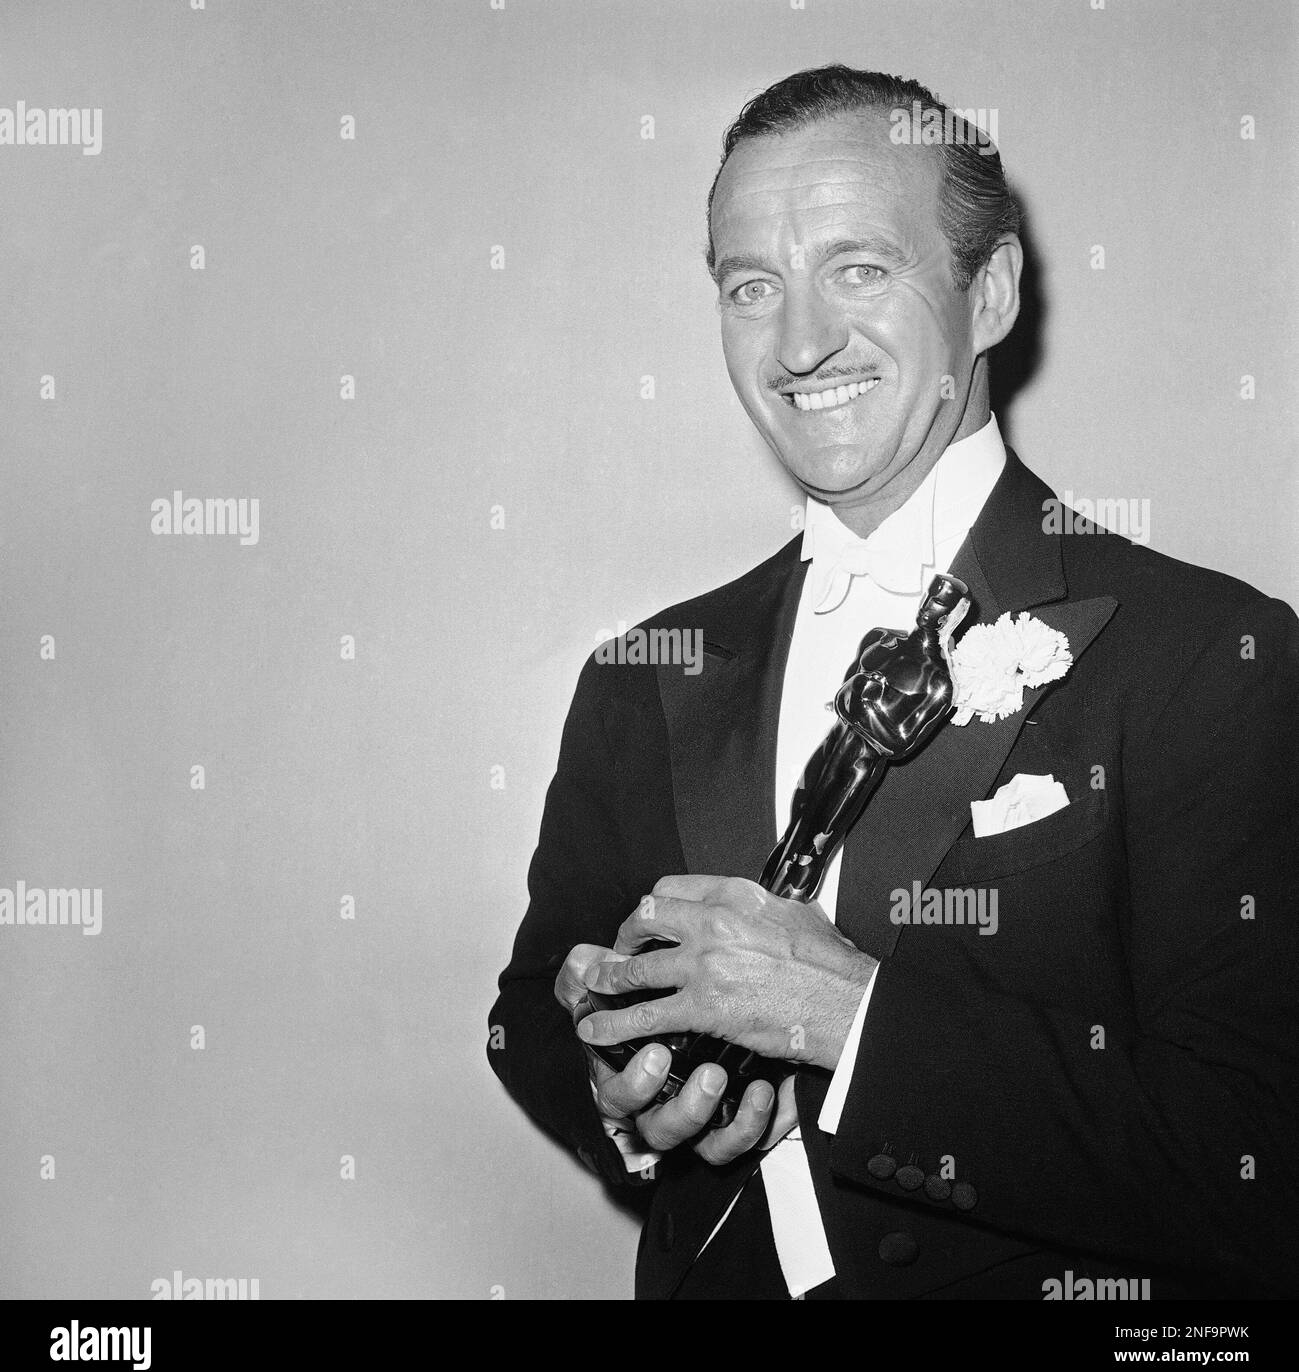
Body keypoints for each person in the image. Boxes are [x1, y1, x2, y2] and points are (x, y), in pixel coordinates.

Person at [487, 65, 1299, 1299]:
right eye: (750, 286)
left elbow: (1258, 1153)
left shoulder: (1213, 659)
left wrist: (852, 1021)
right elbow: (533, 1009)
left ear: (992, 293)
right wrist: (619, 1088)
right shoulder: (638, 678)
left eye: (859, 269)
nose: (800, 343)